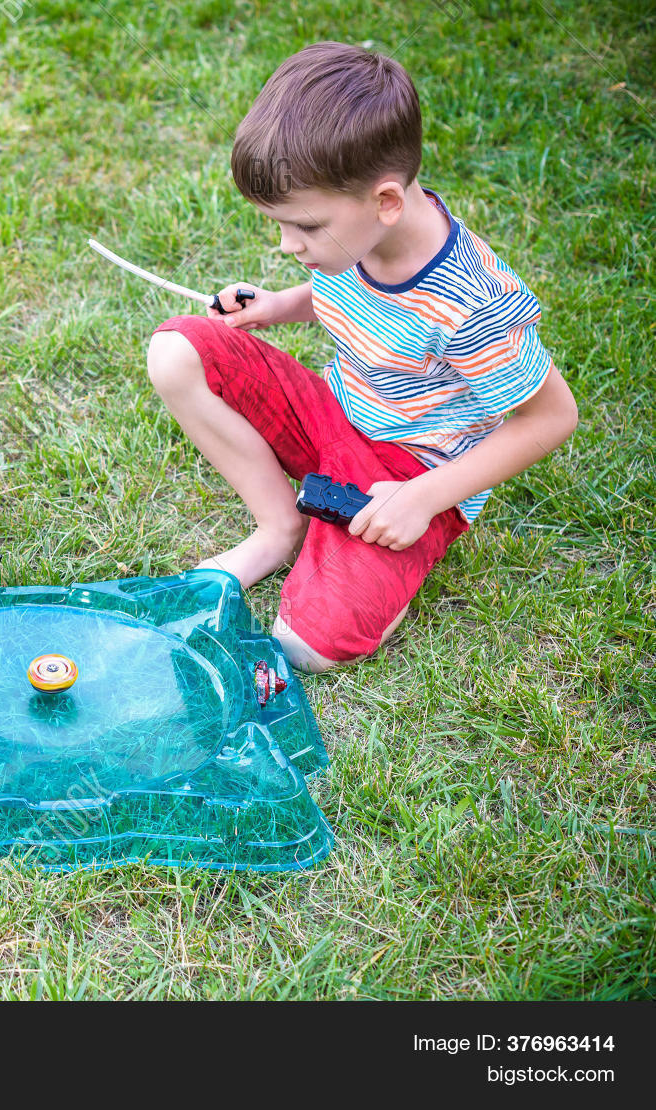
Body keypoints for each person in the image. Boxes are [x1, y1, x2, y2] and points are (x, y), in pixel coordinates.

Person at [145, 42, 578, 671]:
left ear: (387, 201)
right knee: (176, 351)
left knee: (309, 645)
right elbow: (349, 296)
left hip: (406, 471)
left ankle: (385, 566)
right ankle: (279, 527)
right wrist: (276, 305)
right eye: (279, 225)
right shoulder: (359, 235)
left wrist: (424, 498)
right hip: (334, 412)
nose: (288, 245)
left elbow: (552, 417)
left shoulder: (474, 304)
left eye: (305, 227)